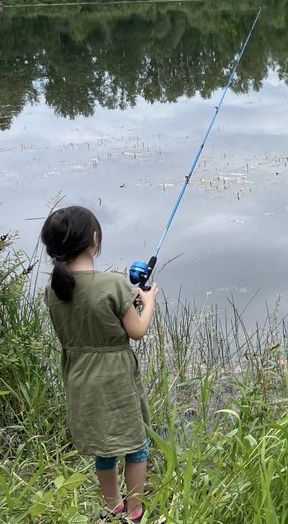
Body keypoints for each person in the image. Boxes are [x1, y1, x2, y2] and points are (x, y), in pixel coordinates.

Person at [41, 206, 159, 523]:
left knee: (104, 446)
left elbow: (87, 317)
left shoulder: (53, 289)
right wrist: (147, 302)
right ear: (94, 239)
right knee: (136, 445)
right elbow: (137, 331)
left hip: (80, 378)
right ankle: (134, 511)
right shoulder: (114, 284)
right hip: (116, 378)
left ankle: (112, 506)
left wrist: (126, 303)